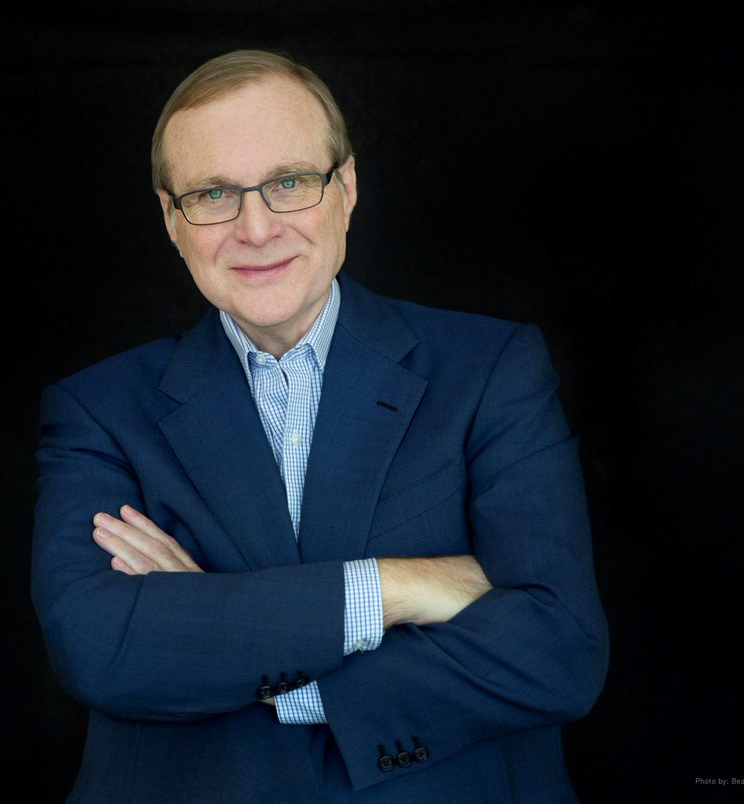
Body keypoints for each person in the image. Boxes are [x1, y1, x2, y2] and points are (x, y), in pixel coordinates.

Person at [32, 49, 608, 802]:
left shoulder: (491, 369)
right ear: (171, 218)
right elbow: (100, 650)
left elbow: (558, 654)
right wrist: (392, 588)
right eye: (213, 194)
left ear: (347, 188)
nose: (256, 227)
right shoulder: (99, 410)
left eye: (290, 182)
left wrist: (220, 633)